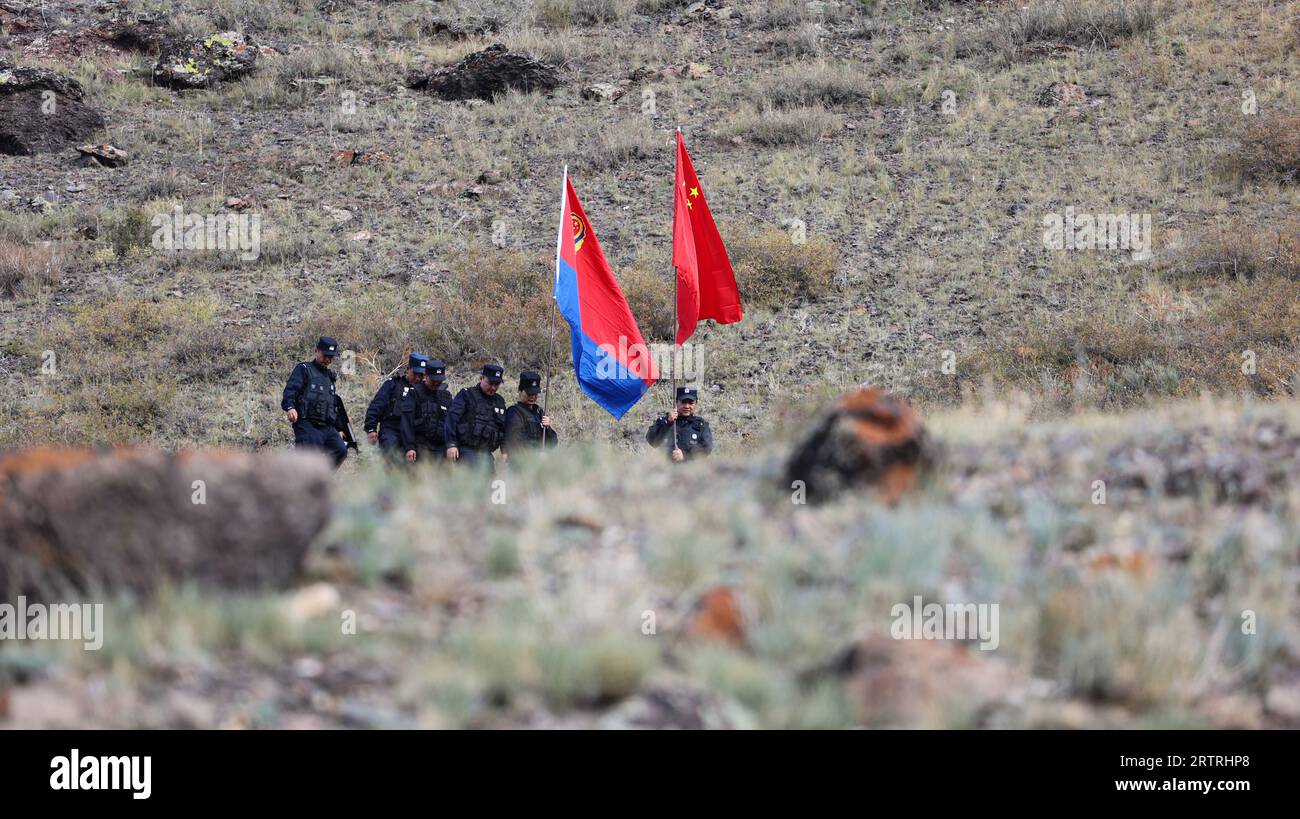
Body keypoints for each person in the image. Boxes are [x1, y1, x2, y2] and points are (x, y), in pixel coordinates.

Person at [281, 336, 355, 468]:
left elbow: (332, 404)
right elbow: (291, 390)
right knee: (307, 461)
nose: (327, 359)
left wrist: (338, 428)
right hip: (308, 424)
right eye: (325, 355)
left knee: (341, 450)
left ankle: (319, 479)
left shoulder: (330, 377)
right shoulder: (304, 369)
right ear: (316, 351)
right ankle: (300, 484)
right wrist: (290, 407)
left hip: (327, 427)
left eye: (331, 357)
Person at [445, 363, 507, 471]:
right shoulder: (466, 395)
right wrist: (451, 444)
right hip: (466, 452)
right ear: (481, 378)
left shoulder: (499, 401)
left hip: (487, 456)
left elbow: (502, 428)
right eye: (490, 383)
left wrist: (505, 451)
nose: (493, 388)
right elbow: (451, 419)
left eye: (496, 385)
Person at [365, 353, 427, 460]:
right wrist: (371, 428)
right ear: (408, 369)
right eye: (415, 373)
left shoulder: (425, 391)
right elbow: (376, 405)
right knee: (390, 452)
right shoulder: (393, 384)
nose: (418, 378)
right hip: (392, 428)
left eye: (421, 375)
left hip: (414, 432)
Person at [401, 359, 453, 464]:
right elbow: (406, 421)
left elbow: (451, 423)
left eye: (439, 381)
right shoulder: (414, 392)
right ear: (426, 376)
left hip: (440, 449)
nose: (436, 384)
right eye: (433, 380)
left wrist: (452, 445)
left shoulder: (446, 396)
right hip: (420, 446)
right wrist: (409, 447)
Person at [646, 386, 712, 462]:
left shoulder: (701, 425)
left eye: (690, 403)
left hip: (691, 470)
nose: (687, 406)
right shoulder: (665, 421)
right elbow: (652, 441)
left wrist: (685, 456)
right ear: (676, 402)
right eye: (683, 402)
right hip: (666, 470)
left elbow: (706, 449)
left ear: (695, 403)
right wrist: (668, 422)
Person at [502, 370, 557, 458]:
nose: (532, 397)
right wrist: (536, 455)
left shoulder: (539, 412)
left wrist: (548, 428)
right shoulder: (514, 413)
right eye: (529, 393)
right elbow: (514, 444)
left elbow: (553, 442)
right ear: (520, 391)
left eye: (535, 394)